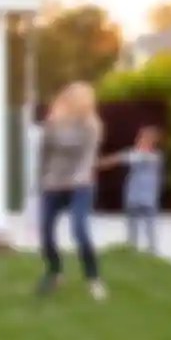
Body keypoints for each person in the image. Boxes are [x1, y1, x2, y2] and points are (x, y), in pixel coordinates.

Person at [37, 82, 108, 301]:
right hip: (53, 183)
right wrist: (43, 179)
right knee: (46, 231)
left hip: (80, 185)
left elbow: (88, 157)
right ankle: (54, 272)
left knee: (79, 230)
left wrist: (78, 180)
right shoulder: (53, 122)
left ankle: (93, 279)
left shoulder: (92, 125)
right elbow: (45, 153)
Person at [98, 126, 164, 254]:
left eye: (145, 139)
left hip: (148, 198)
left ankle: (152, 249)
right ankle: (132, 247)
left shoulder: (154, 157)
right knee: (132, 224)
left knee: (149, 225)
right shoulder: (135, 154)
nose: (140, 141)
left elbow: (122, 158)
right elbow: (118, 159)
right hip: (133, 195)